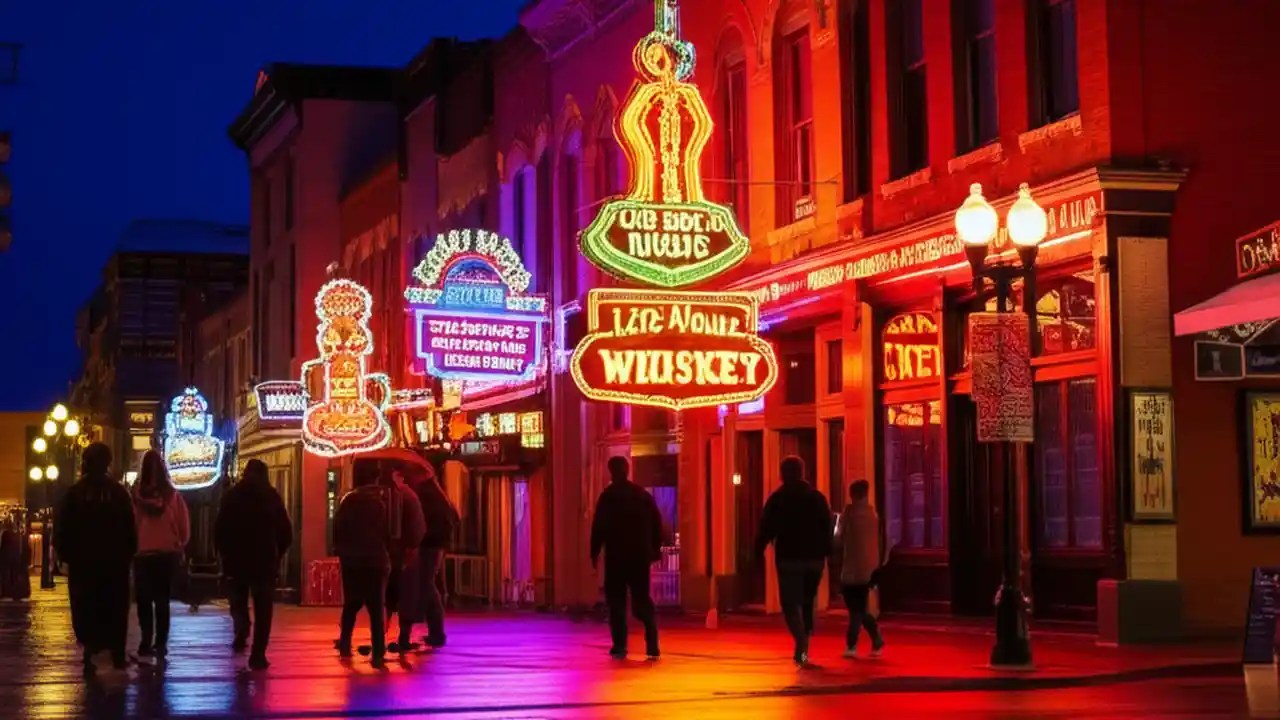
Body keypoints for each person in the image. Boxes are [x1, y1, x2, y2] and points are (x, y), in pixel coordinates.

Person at [53, 443, 137, 676]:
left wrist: (65, 555)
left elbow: (63, 529)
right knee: (115, 608)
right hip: (114, 564)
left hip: (84, 564)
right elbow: (130, 529)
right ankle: (116, 652)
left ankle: (91, 651)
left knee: (87, 607)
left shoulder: (75, 494)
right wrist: (128, 554)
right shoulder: (119, 494)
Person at [215, 458, 293, 671]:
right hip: (264, 561)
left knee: (238, 600)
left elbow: (220, 529)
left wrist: (224, 554)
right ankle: (258, 654)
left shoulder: (232, 496)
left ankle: (241, 629)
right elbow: (285, 531)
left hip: (236, 560)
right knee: (263, 608)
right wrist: (277, 553)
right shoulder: (271, 497)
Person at [755, 456, 832, 667]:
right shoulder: (816, 498)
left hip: (789, 558)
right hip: (814, 559)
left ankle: (801, 642)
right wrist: (827, 552)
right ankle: (804, 647)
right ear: (802, 473)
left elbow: (766, 528)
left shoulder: (778, 499)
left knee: (790, 604)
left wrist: (757, 551)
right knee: (807, 601)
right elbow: (827, 527)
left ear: (782, 474)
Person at [590, 456, 663, 660]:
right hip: (639, 557)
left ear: (611, 472)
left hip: (617, 557)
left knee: (616, 602)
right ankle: (652, 641)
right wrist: (654, 549)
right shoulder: (642, 496)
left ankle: (620, 645)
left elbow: (599, 527)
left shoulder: (608, 497)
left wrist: (594, 553)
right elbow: (657, 523)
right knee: (641, 600)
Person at [131, 450, 190, 660]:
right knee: (162, 600)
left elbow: (132, 526)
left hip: (143, 554)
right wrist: (178, 544)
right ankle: (161, 642)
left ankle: (146, 639)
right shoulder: (173, 497)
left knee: (144, 600)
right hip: (166, 554)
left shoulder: (137, 498)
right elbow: (184, 527)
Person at [334, 461, 393, 667]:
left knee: (351, 604)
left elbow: (338, 530)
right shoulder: (381, 502)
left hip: (352, 560)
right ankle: (378, 651)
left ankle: (344, 643)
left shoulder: (348, 501)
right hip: (376, 560)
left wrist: (342, 551)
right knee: (377, 607)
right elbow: (389, 533)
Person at [406, 465, 458, 649]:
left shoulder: (426, 495)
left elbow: (423, 522)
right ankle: (435, 630)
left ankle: (436, 631)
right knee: (428, 584)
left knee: (426, 584)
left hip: (430, 544)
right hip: (435, 544)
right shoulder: (437, 494)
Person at [834, 479, 885, 658]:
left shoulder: (848, 514)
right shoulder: (874, 515)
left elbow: (837, 539)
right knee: (860, 608)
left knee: (855, 609)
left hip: (851, 569)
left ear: (852, 494)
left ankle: (852, 644)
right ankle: (875, 639)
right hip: (869, 570)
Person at [383, 465, 426, 653]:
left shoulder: (401, 496)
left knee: (394, 597)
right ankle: (402, 637)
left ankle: (388, 637)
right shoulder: (410, 496)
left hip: (401, 554)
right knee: (403, 597)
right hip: (406, 553)